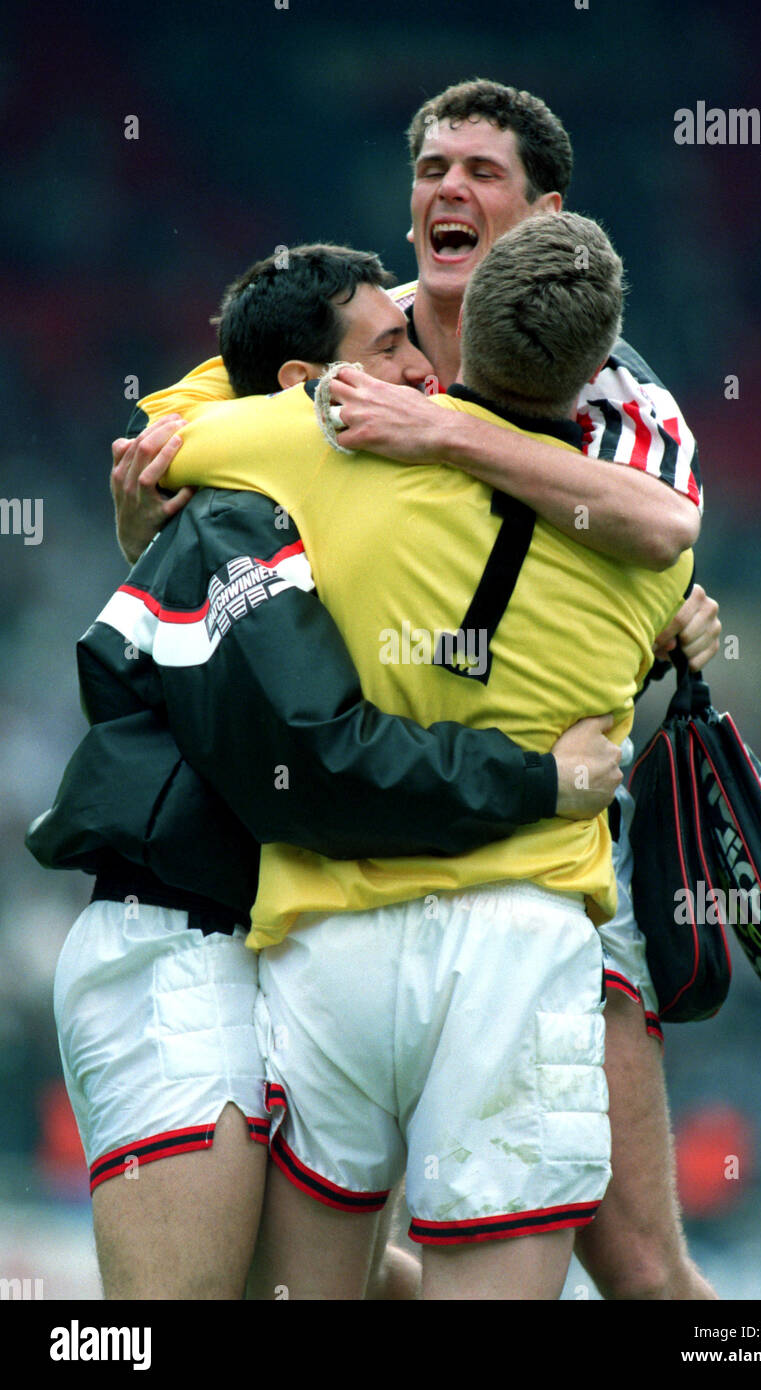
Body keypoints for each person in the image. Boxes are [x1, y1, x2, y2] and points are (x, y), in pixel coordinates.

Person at [119, 79, 720, 1299]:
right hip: (350, 847)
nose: (449, 189)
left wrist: (438, 432)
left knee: (638, 1265)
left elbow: (662, 528)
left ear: (544, 212)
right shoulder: (337, 337)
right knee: (326, 1253)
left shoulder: (617, 389)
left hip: (540, 853)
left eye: (482, 172)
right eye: (432, 167)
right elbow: (150, 468)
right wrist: (141, 505)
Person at [27, 242, 623, 1300]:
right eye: (392, 346)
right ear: (309, 392)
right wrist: (542, 783)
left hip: (270, 943)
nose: (423, 372)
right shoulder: (233, 520)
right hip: (175, 944)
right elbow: (321, 759)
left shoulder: (319, 501)